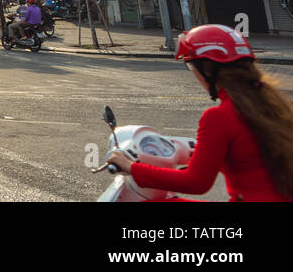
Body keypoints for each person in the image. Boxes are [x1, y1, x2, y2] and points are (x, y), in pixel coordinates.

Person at [108, 24, 293, 201]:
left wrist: (131, 167)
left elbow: (196, 182)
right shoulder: (274, 104)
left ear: (208, 69)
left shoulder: (219, 117)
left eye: (190, 65)